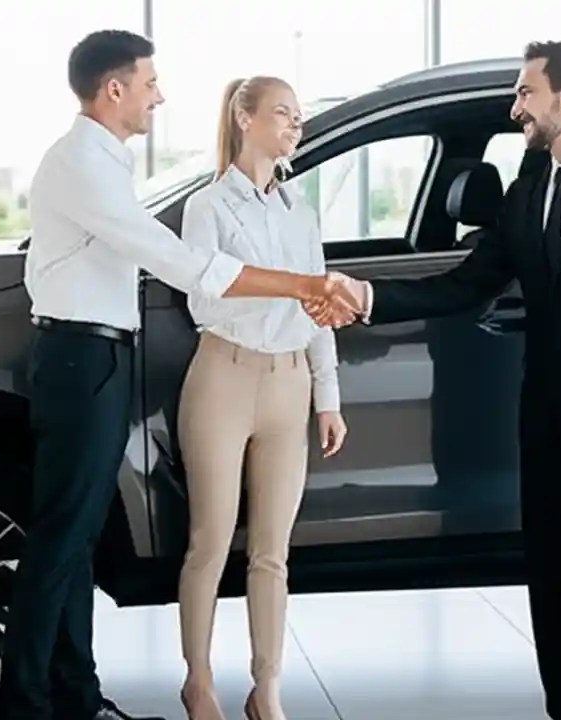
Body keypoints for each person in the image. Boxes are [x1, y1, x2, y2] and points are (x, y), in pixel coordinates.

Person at [1, 30, 361, 720]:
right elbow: (184, 267)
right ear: (115, 89)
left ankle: (77, 700)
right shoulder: (85, 164)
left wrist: (310, 327)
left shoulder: (103, 164)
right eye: (149, 83)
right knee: (61, 537)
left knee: (75, 539)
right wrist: (303, 284)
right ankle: (26, 704)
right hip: (82, 357)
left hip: (97, 356)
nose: (158, 96)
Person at [332, 40, 561, 720]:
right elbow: (464, 286)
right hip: (545, 424)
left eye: (526, 92)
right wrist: (365, 295)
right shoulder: (527, 195)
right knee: (554, 590)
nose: (516, 106)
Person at [174, 76, 345, 720]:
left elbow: (321, 308)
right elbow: (202, 294)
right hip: (223, 378)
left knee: (272, 551)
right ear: (244, 118)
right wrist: (292, 286)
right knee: (210, 542)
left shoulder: (300, 212)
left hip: (288, 384)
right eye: (282, 113)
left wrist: (327, 398)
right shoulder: (208, 207)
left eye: (299, 116)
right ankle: (198, 682)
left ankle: (266, 687)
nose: (295, 125)